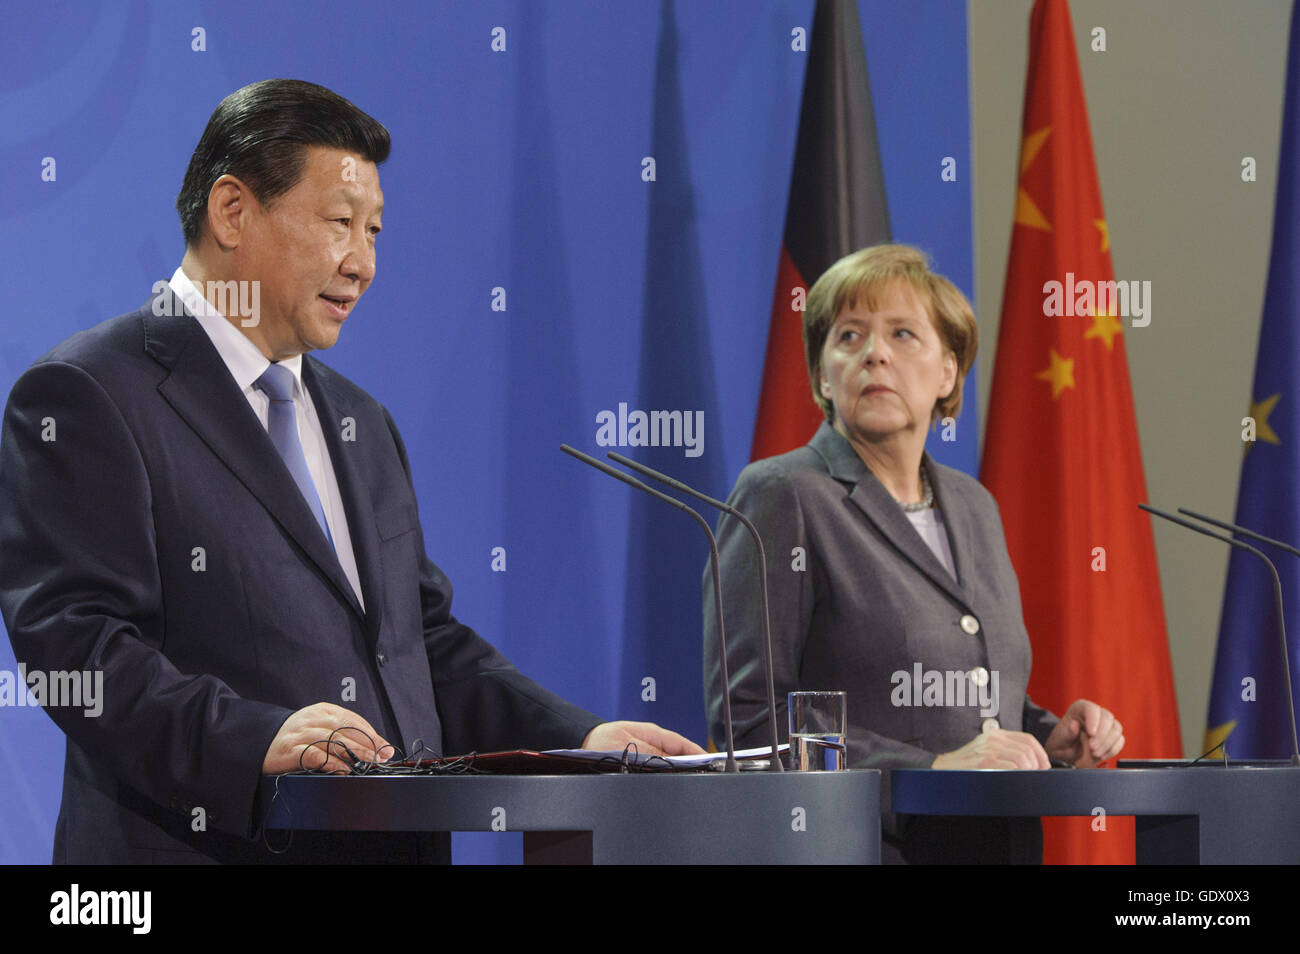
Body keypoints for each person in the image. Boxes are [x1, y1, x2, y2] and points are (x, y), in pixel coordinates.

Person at [0, 79, 701, 865]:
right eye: (340, 224)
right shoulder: (90, 393)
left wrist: (581, 740)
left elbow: (421, 647)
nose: (363, 264)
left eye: (374, 230)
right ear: (233, 211)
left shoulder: (361, 421)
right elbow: (80, 650)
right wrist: (256, 736)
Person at [703, 244, 1123, 864]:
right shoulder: (782, 496)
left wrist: (1043, 734)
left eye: (903, 333)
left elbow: (968, 693)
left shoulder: (973, 505)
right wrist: (930, 769)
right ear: (823, 374)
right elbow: (750, 726)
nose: (875, 353)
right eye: (849, 336)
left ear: (948, 373)